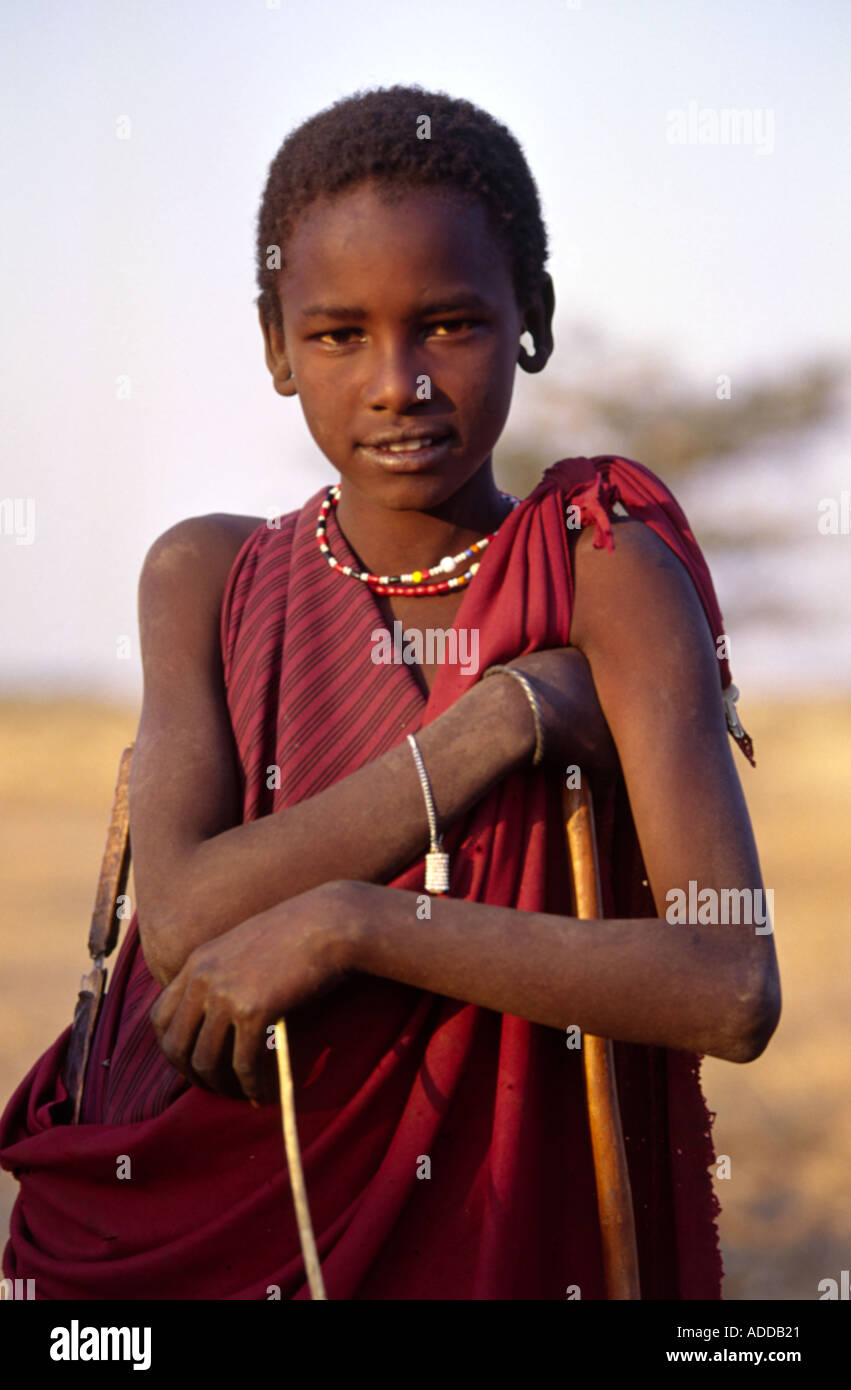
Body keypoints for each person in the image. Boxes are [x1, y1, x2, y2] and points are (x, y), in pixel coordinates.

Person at [0, 84, 780, 1300]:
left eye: (450, 324)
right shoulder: (207, 575)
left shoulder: (600, 567)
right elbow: (191, 918)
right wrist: (494, 724)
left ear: (532, 316)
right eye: (335, 334)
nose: (395, 382)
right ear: (273, 344)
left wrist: (352, 924)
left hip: (490, 1232)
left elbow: (729, 985)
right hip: (180, 1229)